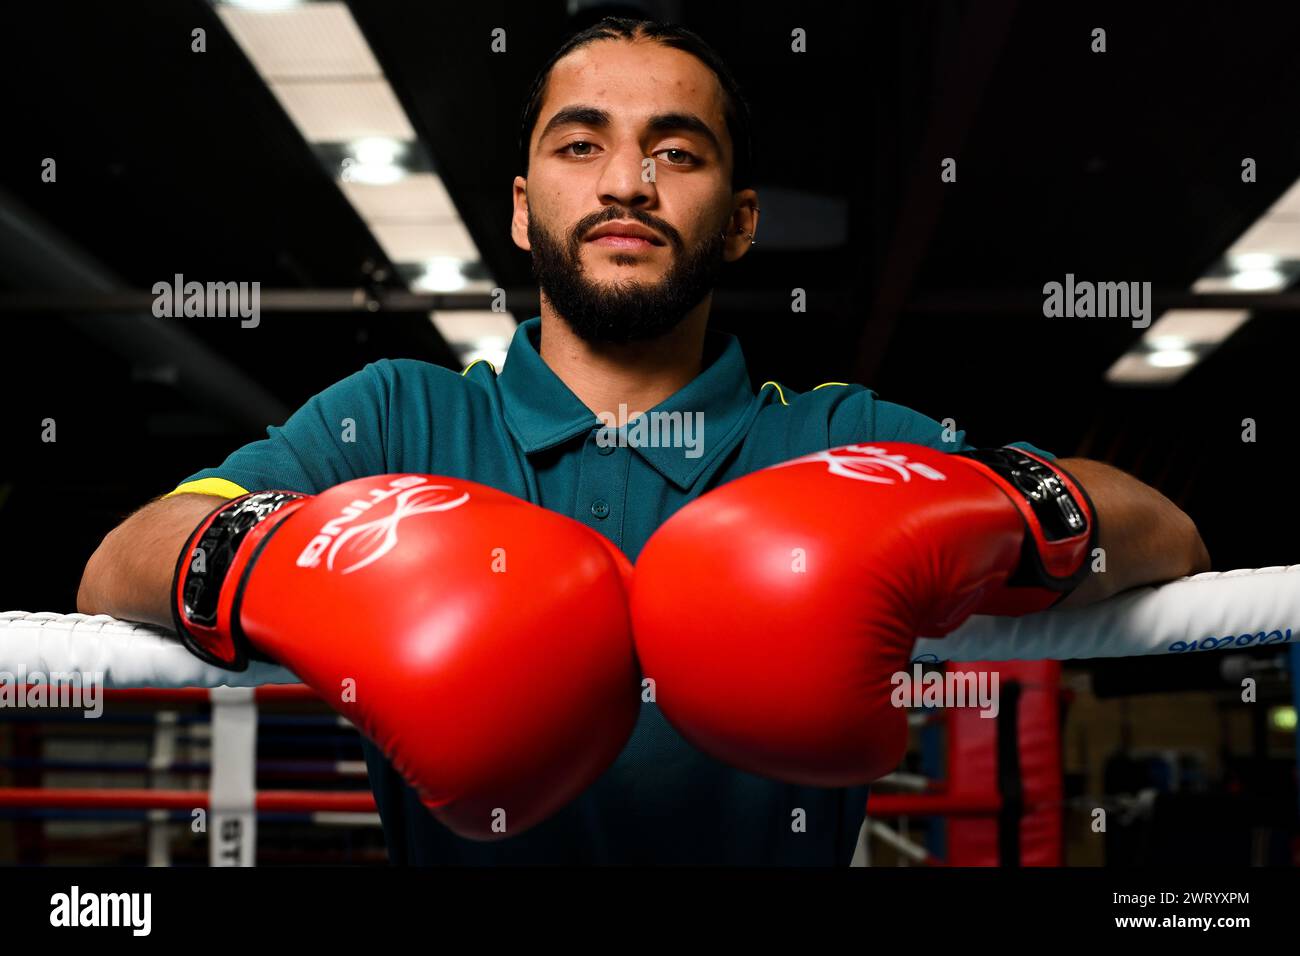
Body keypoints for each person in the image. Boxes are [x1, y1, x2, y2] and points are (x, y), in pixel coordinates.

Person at [77, 17, 1209, 865]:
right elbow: (118, 561)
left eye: (678, 151)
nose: (627, 181)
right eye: (581, 146)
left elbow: (1169, 536)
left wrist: (1011, 514)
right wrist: (296, 560)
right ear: (522, 208)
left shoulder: (832, 436)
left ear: (741, 216)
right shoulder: (402, 419)